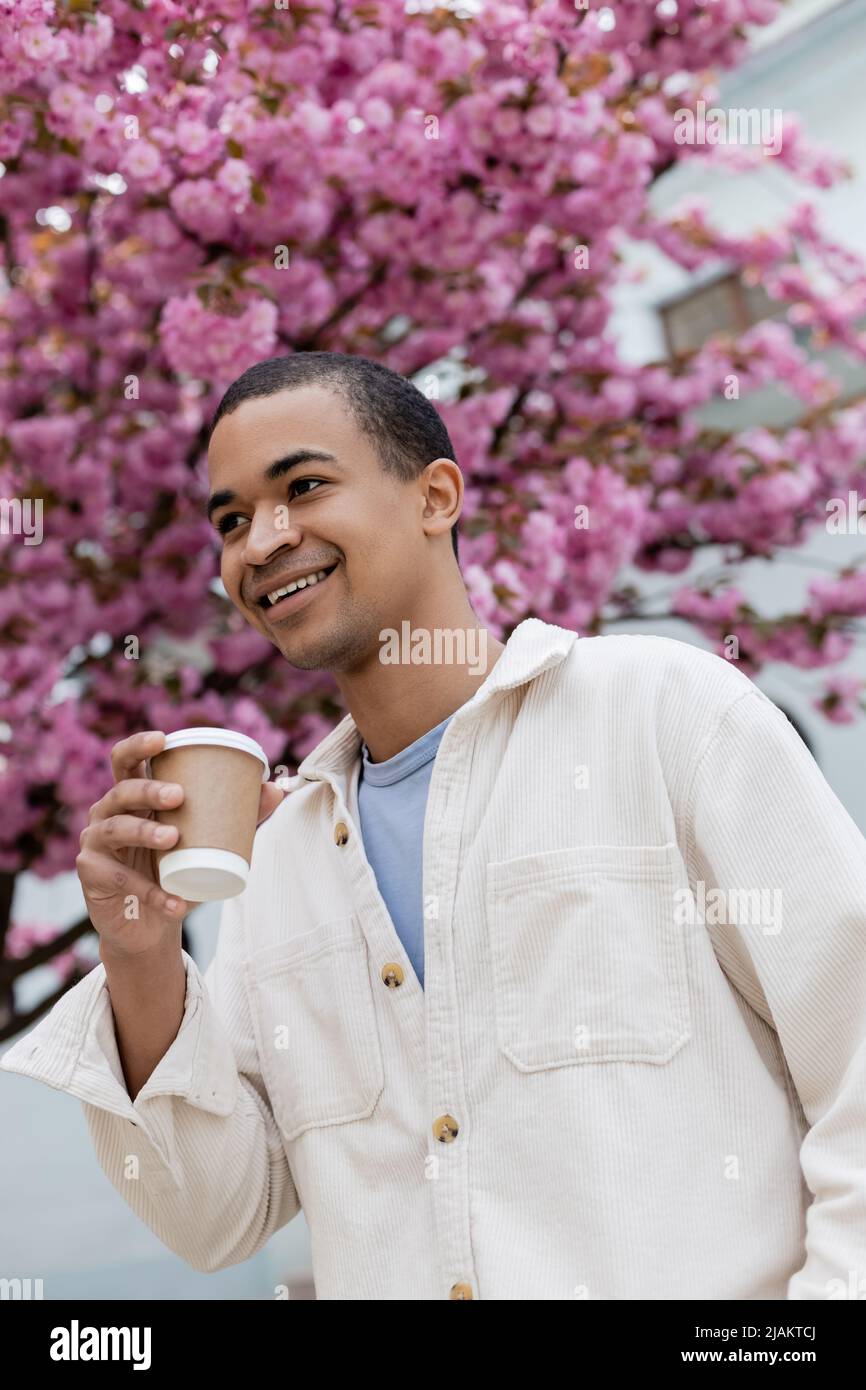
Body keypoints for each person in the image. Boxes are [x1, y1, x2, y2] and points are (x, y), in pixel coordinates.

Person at [4, 352, 866, 1301]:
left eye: (303, 487)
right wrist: (139, 955)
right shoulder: (278, 861)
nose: (260, 543)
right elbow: (219, 1220)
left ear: (437, 495)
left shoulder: (664, 715)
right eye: (232, 521)